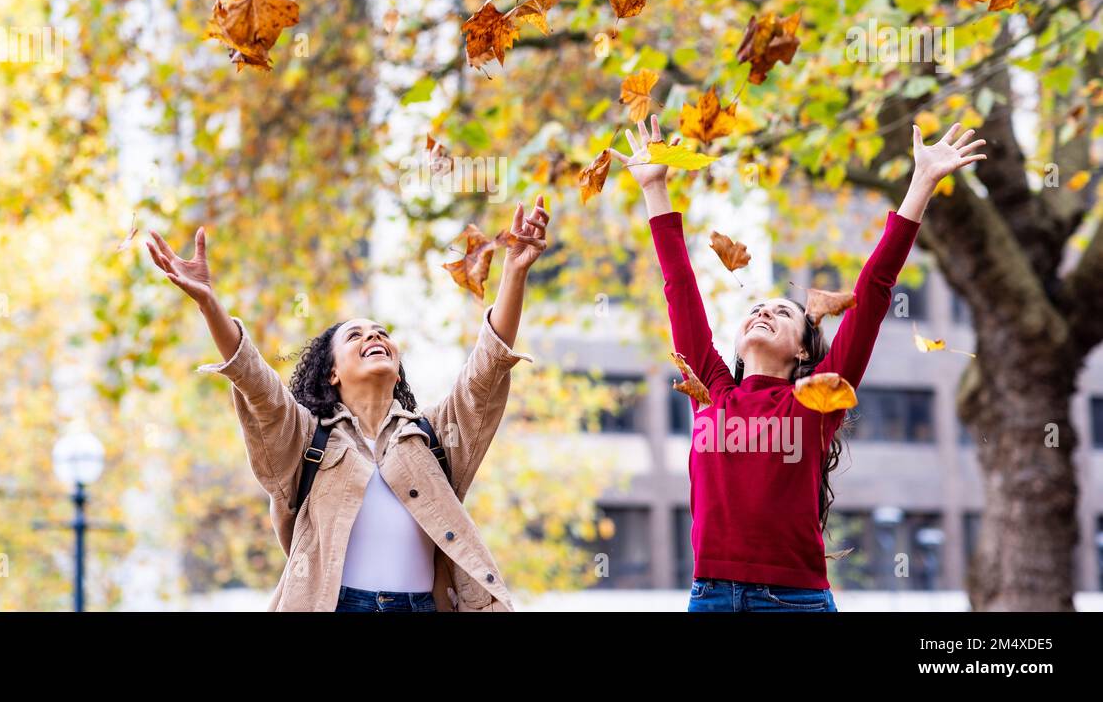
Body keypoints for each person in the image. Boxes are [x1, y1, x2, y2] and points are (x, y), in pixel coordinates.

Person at [614, 117, 985, 611]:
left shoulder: (817, 398)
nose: (763, 310)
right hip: (710, 597)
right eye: (755, 309)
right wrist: (655, 189)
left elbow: (873, 292)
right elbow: (678, 286)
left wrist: (920, 183)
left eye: (782, 311)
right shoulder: (712, 388)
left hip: (793, 601)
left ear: (805, 351)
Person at [146, 196, 550, 611]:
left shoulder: (432, 436)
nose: (373, 337)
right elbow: (258, 385)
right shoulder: (307, 438)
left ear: (396, 368)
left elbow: (486, 372)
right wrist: (209, 303)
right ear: (332, 373)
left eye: (380, 333)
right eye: (355, 336)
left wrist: (515, 272)